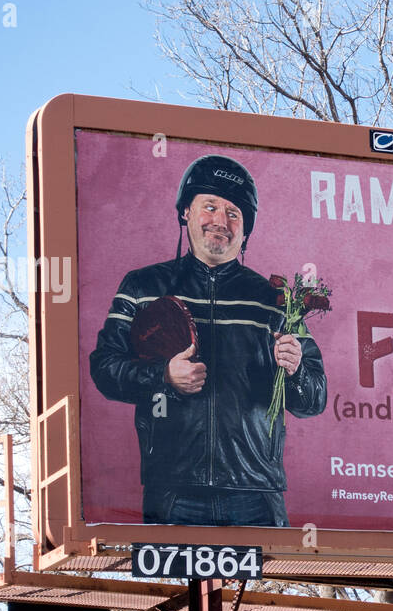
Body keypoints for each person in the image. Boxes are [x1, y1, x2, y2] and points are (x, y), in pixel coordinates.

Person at [89, 154, 327, 527]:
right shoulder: (142, 286)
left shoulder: (273, 299)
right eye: (210, 207)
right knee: (175, 590)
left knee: (260, 586)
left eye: (234, 213)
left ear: (246, 229)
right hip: (172, 487)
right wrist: (163, 376)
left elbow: (314, 399)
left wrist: (296, 370)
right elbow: (104, 368)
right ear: (186, 211)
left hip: (256, 491)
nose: (221, 221)